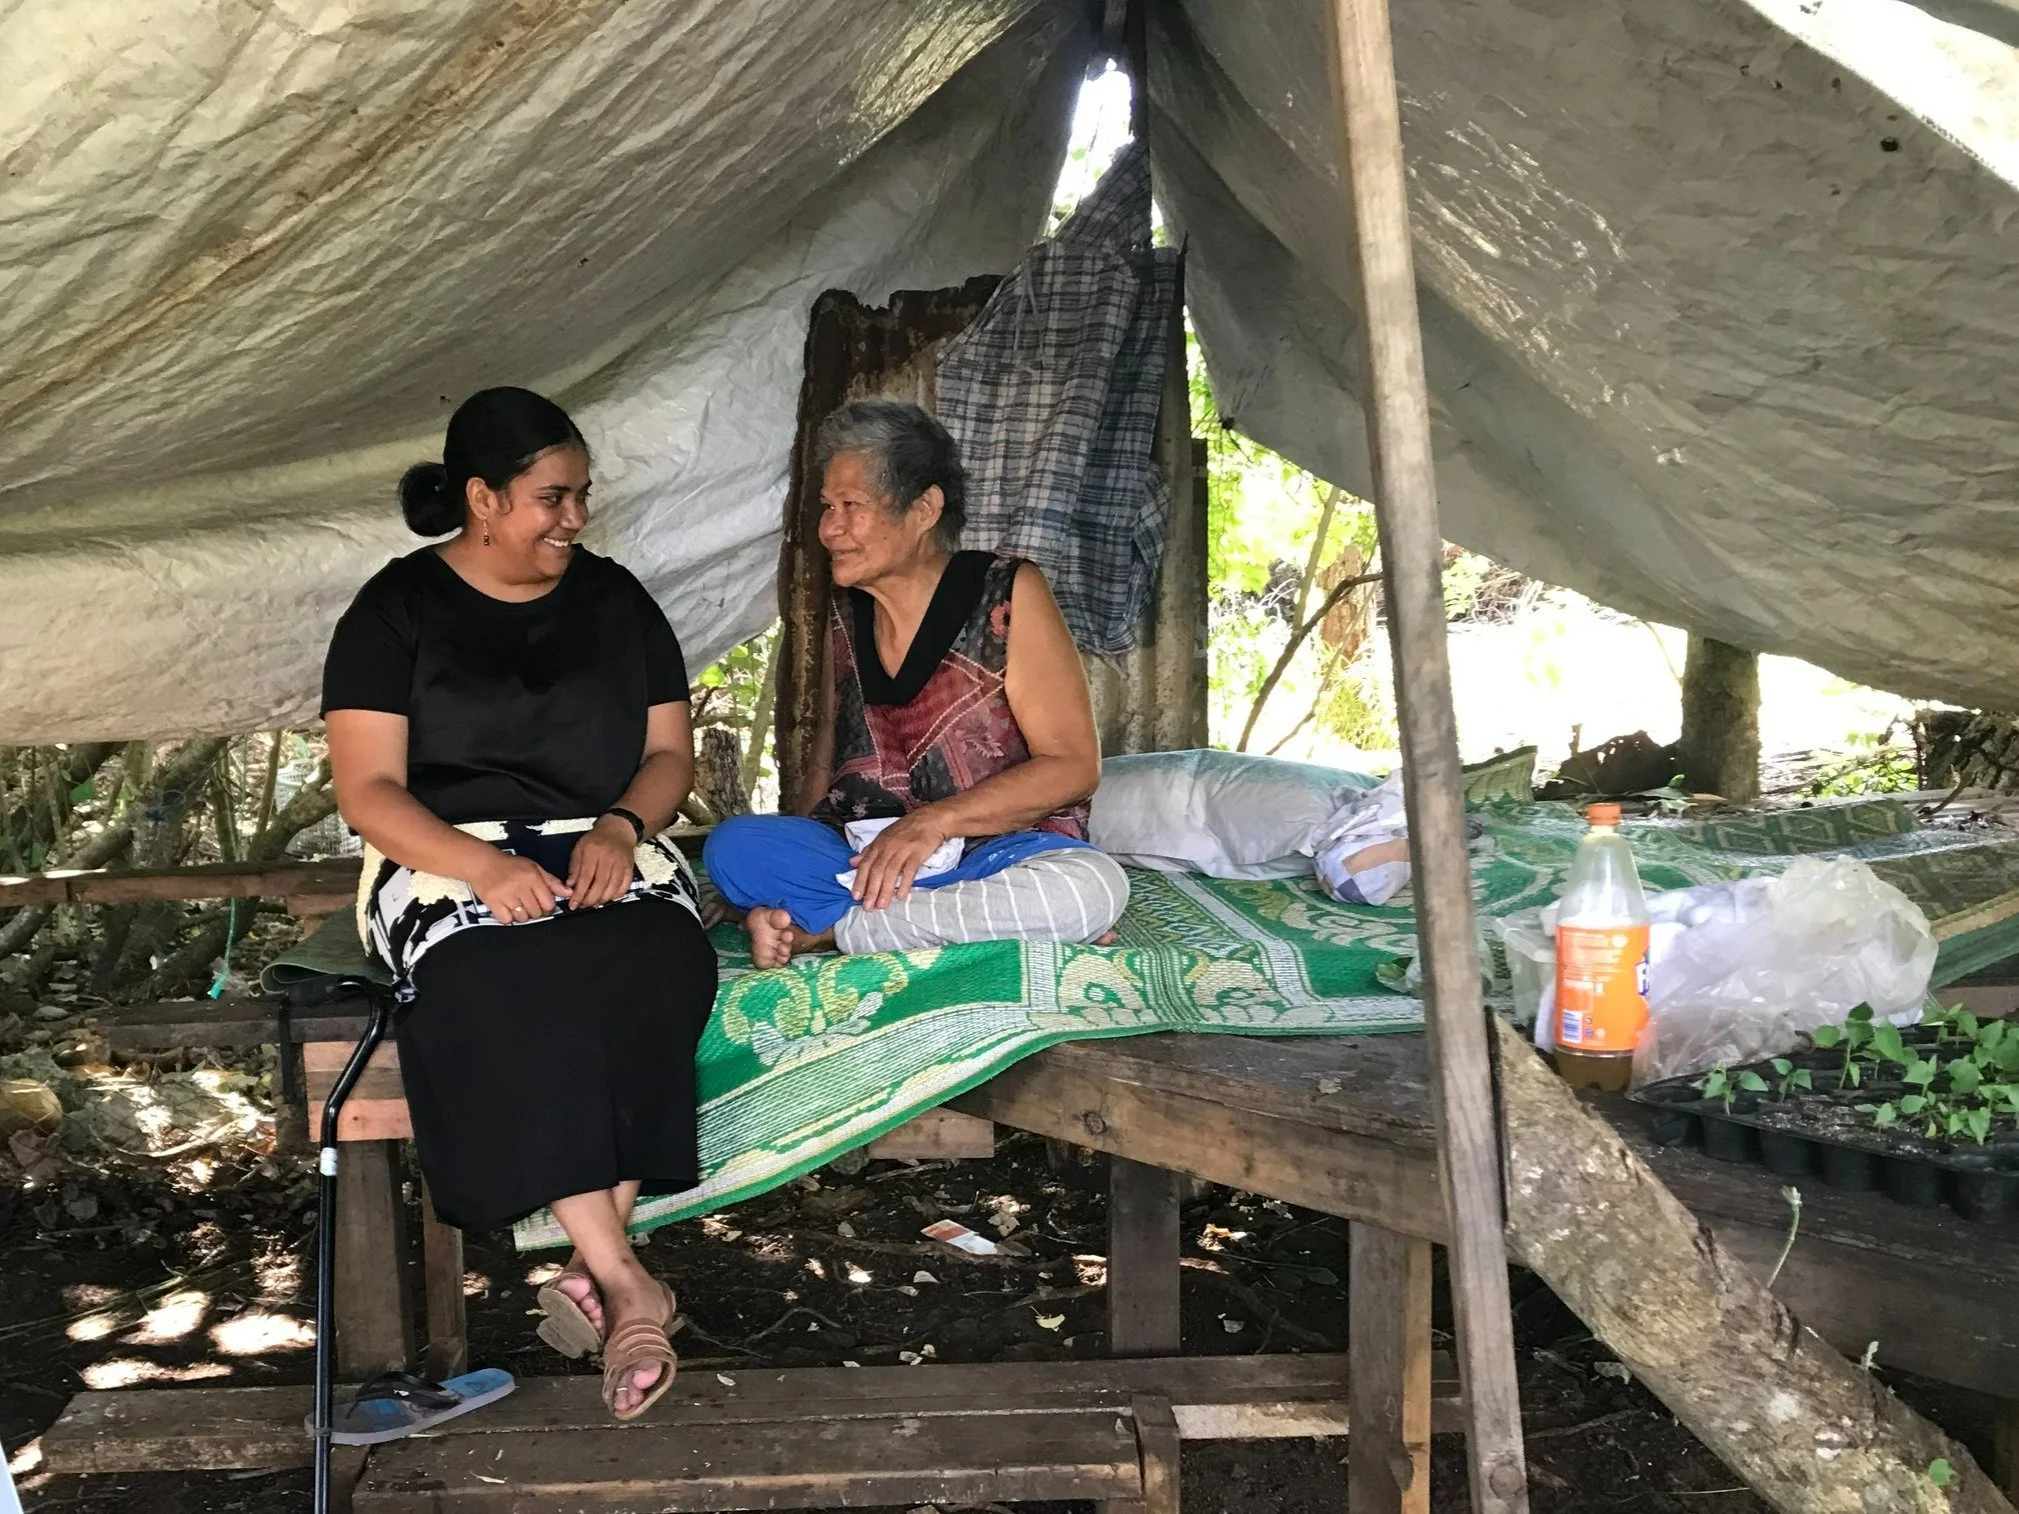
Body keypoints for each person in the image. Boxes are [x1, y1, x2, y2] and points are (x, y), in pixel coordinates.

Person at [322, 387, 712, 1422]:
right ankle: (629, 1283)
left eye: (581, 495)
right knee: (503, 976)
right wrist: (481, 867)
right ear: (483, 498)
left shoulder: (617, 601)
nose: (575, 518)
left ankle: (610, 1275)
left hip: (608, 840)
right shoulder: (394, 609)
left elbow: (670, 753)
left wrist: (623, 828)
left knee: (656, 963)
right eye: (553, 497)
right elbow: (367, 792)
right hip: (443, 856)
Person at [704, 400, 1127, 967]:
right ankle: (977, 923)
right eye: (828, 507)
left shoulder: (1006, 592)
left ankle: (832, 932)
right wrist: (790, 852)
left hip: (995, 851)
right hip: (867, 860)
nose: (830, 529)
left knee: (1087, 889)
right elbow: (831, 762)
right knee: (734, 849)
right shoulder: (846, 616)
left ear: (925, 508)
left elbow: (1074, 765)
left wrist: (933, 822)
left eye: (852, 506)